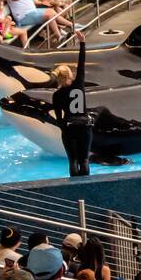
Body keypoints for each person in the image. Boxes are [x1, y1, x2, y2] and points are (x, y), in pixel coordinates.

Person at [51, 31, 92, 176]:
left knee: (73, 161)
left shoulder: (56, 95)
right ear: (70, 75)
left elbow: (58, 118)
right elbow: (82, 63)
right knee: (84, 160)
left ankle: (75, 189)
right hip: (84, 126)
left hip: (69, 128)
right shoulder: (79, 83)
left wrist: (65, 129)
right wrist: (82, 43)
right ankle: (88, 186)